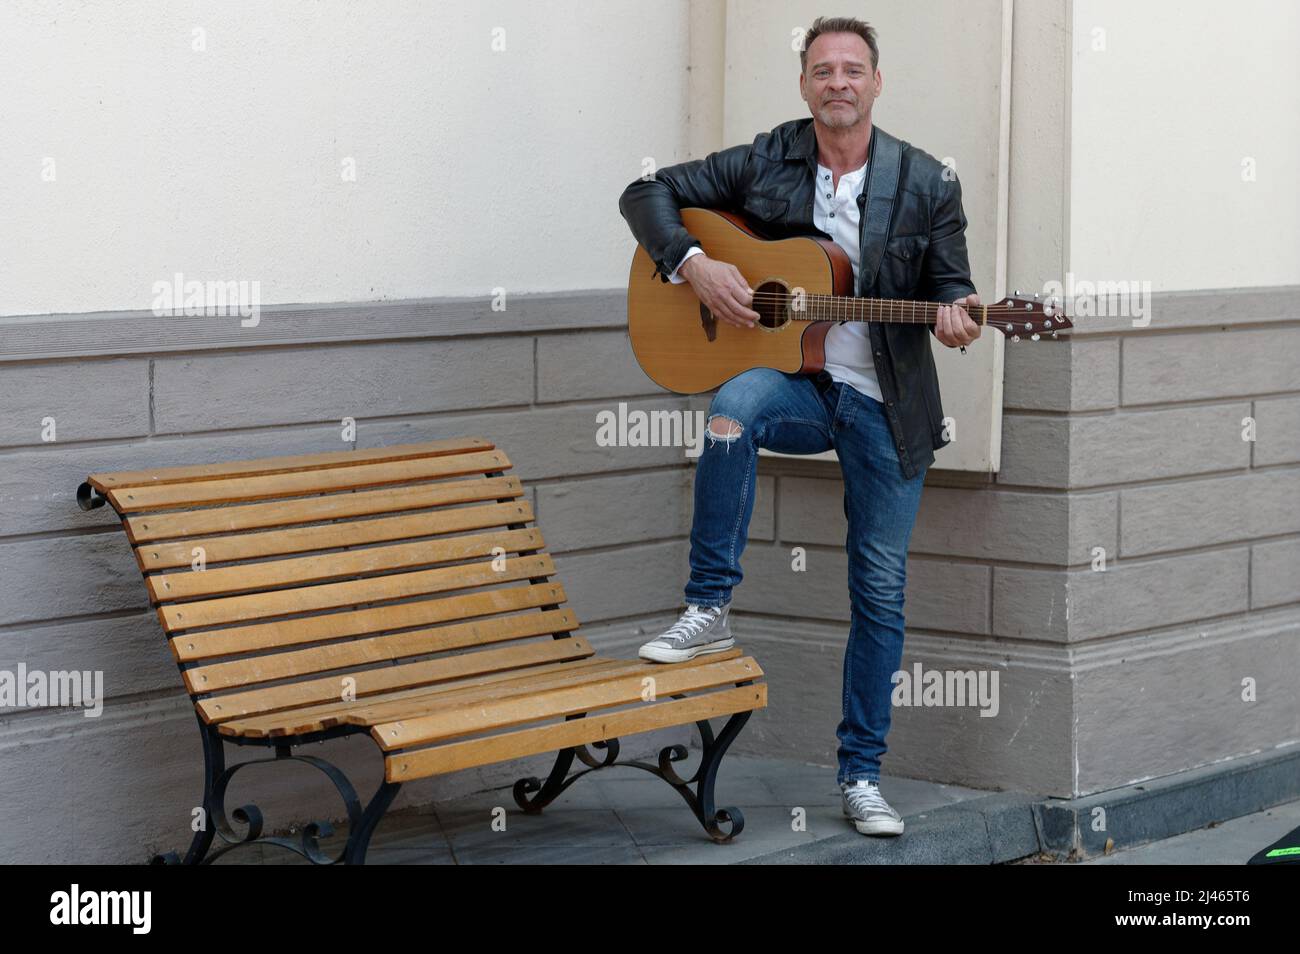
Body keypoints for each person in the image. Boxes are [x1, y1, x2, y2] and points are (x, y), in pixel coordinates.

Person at [617, 16, 981, 837]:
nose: (839, 82)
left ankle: (861, 778)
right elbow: (645, 194)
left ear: (877, 83)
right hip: (800, 386)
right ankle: (708, 608)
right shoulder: (769, 157)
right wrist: (696, 264)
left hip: (885, 404)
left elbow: (953, 290)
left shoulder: (927, 183)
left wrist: (960, 319)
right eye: (824, 70)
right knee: (730, 409)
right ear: (805, 84)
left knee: (878, 593)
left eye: (854, 69)